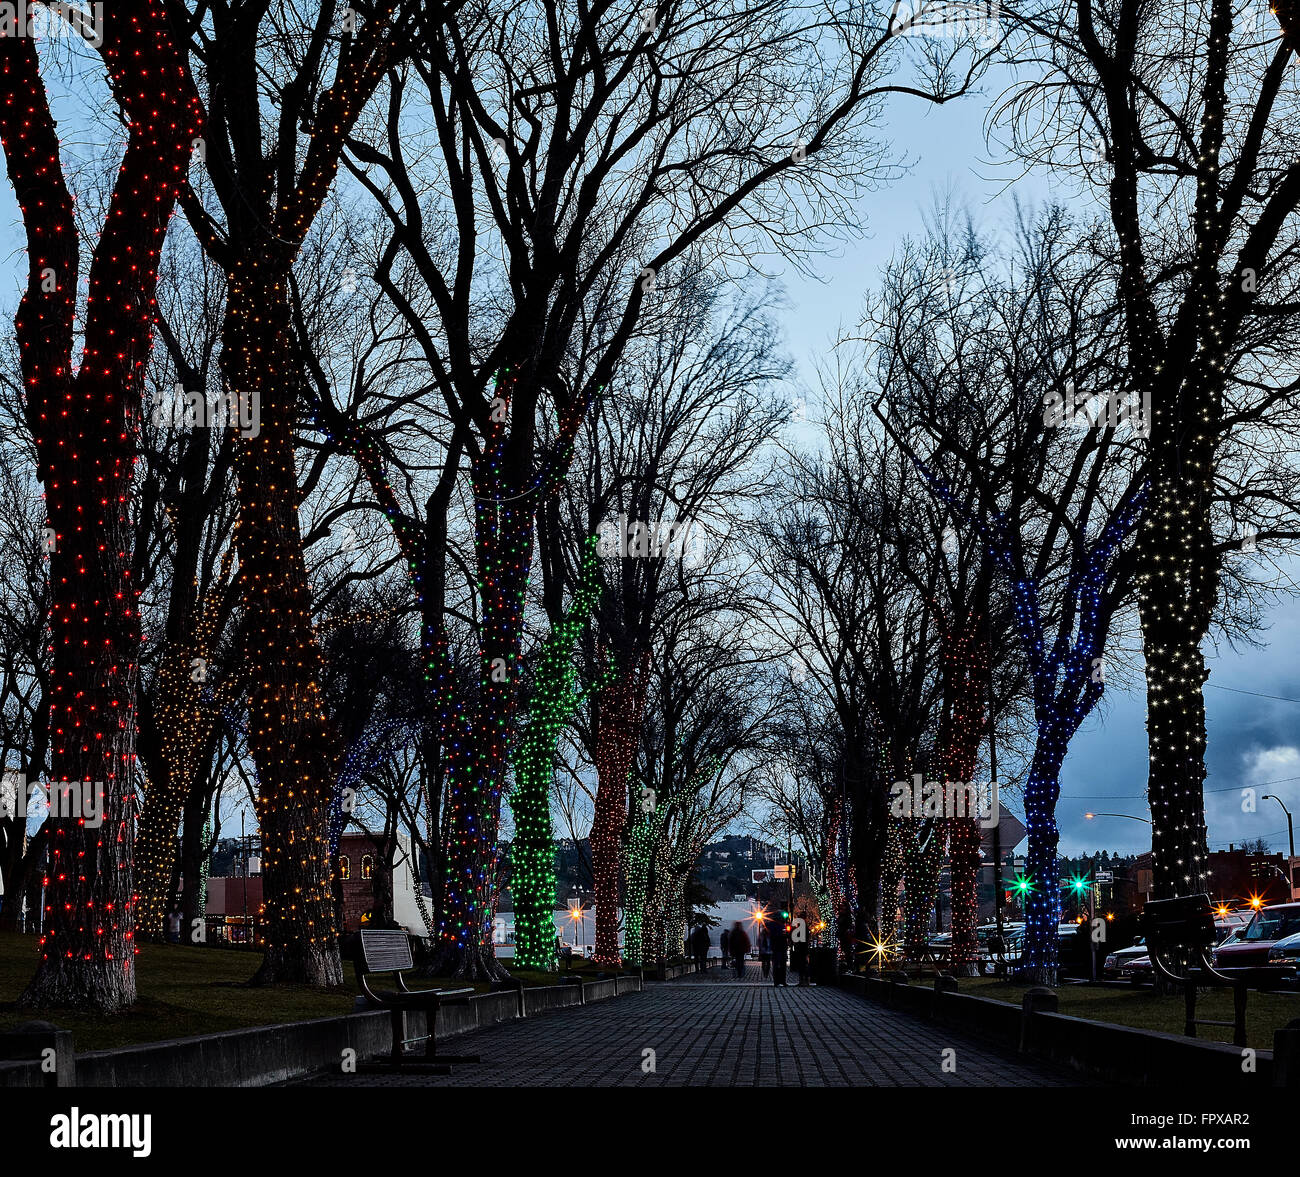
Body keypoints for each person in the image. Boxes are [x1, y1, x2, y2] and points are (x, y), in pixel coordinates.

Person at [771, 914, 789, 986]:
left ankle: (777, 981)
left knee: (776, 966)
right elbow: (784, 936)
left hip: (776, 948)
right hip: (781, 948)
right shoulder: (782, 926)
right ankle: (782, 981)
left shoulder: (772, 926)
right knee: (782, 966)